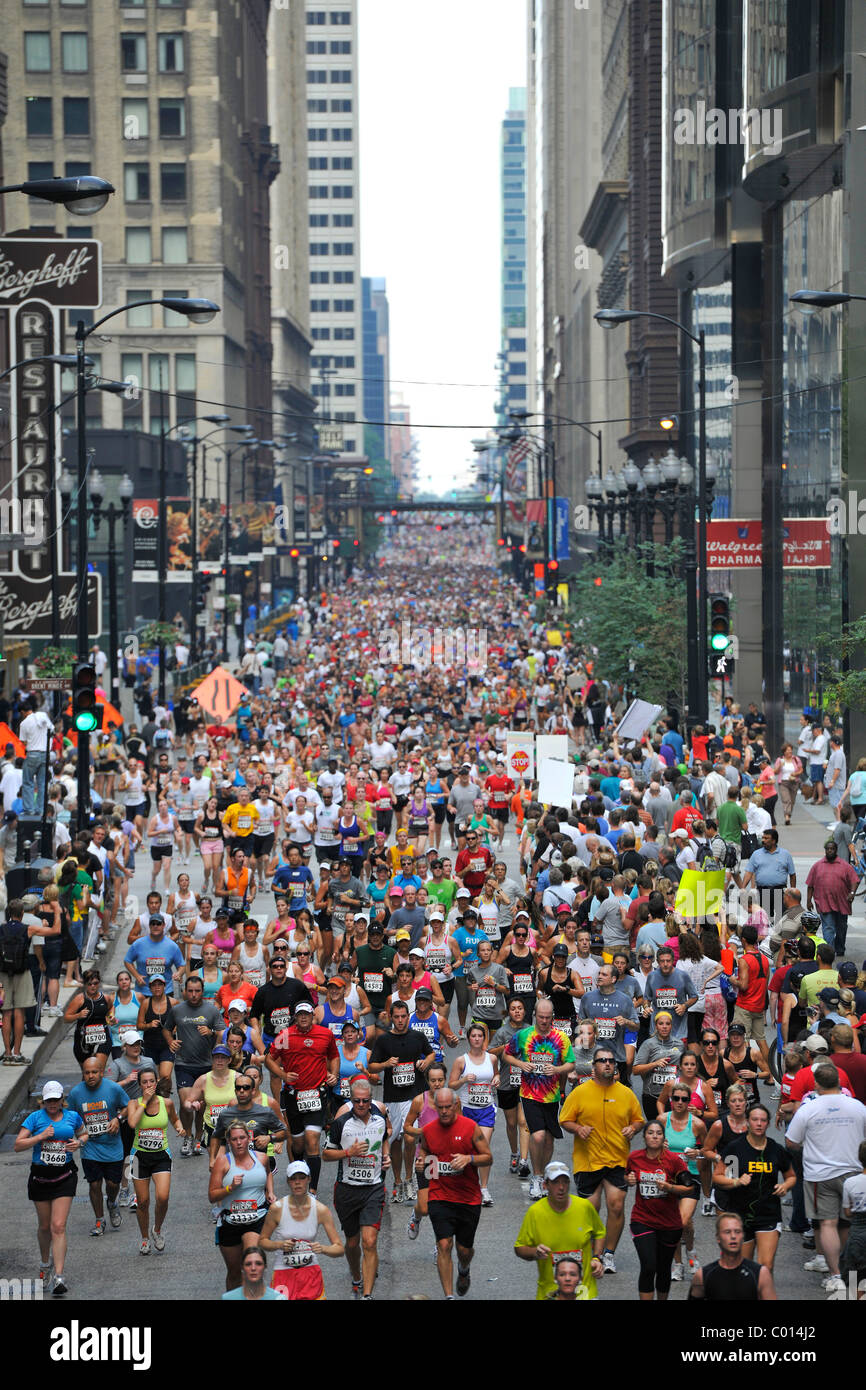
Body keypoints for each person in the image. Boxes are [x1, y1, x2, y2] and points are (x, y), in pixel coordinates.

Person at [559, 1047, 644, 1273]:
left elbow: (639, 1120)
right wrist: (578, 1128)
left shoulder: (625, 1093)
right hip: (588, 1160)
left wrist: (632, 1129)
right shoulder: (580, 1092)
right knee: (591, 1209)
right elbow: (564, 1120)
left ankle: (608, 1254)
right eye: (602, 1061)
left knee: (616, 1205)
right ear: (593, 1066)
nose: (608, 1064)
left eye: (611, 1061)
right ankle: (592, 1254)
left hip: (617, 1160)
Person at [785, 1061, 866, 1296]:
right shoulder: (857, 1106)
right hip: (853, 1170)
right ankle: (848, 1270)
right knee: (847, 1223)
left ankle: (836, 1276)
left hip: (820, 1173)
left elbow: (791, 1141)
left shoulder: (809, 1109)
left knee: (827, 1223)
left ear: (817, 1084)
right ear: (839, 1083)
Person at [415, 1085, 492, 1299]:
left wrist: (469, 1159)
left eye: (448, 1107)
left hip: (468, 1198)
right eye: (440, 1107)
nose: (444, 1112)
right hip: (440, 1196)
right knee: (444, 1244)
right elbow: (426, 1152)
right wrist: (423, 1164)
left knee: (464, 1250)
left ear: (456, 1105)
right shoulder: (429, 1130)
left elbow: (488, 1157)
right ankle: (449, 1295)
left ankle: (464, 1269)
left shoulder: (470, 1127)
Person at [14, 1080, 88, 1296]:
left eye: (56, 1099)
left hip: (65, 1176)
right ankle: (45, 1264)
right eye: (49, 1100)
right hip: (40, 1178)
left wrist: (79, 1143)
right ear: (43, 1101)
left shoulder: (72, 1117)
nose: (53, 1103)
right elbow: (18, 1145)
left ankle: (59, 1276)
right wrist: (39, 1137)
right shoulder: (35, 1118)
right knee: (45, 1227)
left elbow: (85, 1134)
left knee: (58, 1226)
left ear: (62, 1099)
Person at [323, 1077, 391, 1299]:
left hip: (373, 1188)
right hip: (347, 1189)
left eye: (365, 1101)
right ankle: (356, 1275)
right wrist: (347, 1153)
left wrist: (386, 1156)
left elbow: (385, 1138)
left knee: (369, 1242)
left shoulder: (380, 1119)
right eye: (357, 1101)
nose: (361, 1105)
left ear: (371, 1100)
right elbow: (326, 1154)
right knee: (352, 1243)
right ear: (351, 1101)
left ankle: (367, 1295)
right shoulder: (341, 1123)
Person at [711, 1101, 794, 1274]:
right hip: (741, 1214)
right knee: (743, 1269)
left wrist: (785, 1186)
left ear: (768, 1123)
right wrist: (736, 1181)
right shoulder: (735, 1148)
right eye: (755, 1119)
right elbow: (718, 1177)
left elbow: (791, 1176)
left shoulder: (775, 1150)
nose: (758, 1124)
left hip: (768, 1213)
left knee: (766, 1267)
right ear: (747, 1122)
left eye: (763, 1120)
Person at [264, 1000, 339, 1191]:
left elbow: (334, 1056)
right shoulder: (286, 1035)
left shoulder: (325, 1034)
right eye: (300, 1015)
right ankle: (299, 1172)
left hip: (316, 1094)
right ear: (295, 1017)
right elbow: (268, 1059)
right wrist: (282, 1075)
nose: (304, 1017)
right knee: (297, 1144)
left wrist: (334, 1074)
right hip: (293, 1096)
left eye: (307, 1014)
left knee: (313, 1141)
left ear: (313, 1016)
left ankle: (312, 1190)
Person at [505, 998, 575, 1199]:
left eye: (548, 1018)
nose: (544, 1021)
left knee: (549, 1140)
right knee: (537, 1136)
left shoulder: (561, 1038)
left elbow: (570, 1063)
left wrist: (557, 1069)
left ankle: (543, 1175)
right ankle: (536, 1177)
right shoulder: (523, 1035)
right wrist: (520, 1064)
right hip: (529, 1093)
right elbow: (507, 1055)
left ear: (552, 1017)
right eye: (541, 1017)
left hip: (551, 1095)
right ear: (535, 1015)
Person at [367, 999, 435, 1201]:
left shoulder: (417, 1036)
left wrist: (425, 1061)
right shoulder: (384, 1040)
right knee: (395, 1141)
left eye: (403, 1016)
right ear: (391, 1017)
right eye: (396, 1017)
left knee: (409, 1137)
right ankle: (397, 1181)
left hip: (415, 1095)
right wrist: (386, 1064)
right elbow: (372, 1067)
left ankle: (409, 1178)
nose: (400, 1020)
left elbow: (431, 1054)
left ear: (408, 1016)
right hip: (393, 1096)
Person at [514, 1159, 606, 1300]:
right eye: (556, 1182)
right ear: (545, 1185)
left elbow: (599, 1232)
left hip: (585, 1293)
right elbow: (519, 1248)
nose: (561, 1187)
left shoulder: (584, 1207)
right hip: (550, 1294)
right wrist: (534, 1252)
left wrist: (597, 1258)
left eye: (565, 1182)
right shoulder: (535, 1212)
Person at [626, 1119, 693, 1300]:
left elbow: (689, 1188)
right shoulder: (634, 1158)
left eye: (658, 1133)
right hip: (642, 1219)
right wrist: (629, 1180)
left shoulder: (673, 1160)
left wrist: (670, 1188)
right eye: (650, 1133)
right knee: (648, 1266)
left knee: (663, 1268)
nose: (654, 1136)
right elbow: (628, 1176)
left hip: (669, 1223)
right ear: (644, 1136)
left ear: (663, 1138)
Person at [259, 1159, 343, 1300]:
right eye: (293, 1179)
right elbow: (262, 1241)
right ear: (288, 1181)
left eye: (302, 1178)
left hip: (310, 1273)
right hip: (283, 1272)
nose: (297, 1182)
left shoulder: (321, 1210)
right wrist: (279, 1245)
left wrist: (322, 1248)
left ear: (309, 1179)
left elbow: (339, 1248)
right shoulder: (277, 1209)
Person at [208, 1120, 274, 1290]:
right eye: (235, 1139)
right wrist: (230, 1188)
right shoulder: (222, 1162)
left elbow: (267, 1173)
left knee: (251, 1264)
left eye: (242, 1138)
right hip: (230, 1222)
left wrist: (270, 1192)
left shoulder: (261, 1158)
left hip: (256, 1219)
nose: (239, 1142)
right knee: (234, 1272)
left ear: (249, 1139)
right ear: (229, 1141)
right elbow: (212, 1195)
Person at [68, 1056, 129, 1237]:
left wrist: (118, 1119)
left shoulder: (114, 1089)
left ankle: (111, 1202)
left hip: (112, 1146)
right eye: (87, 1073)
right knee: (94, 1184)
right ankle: (99, 1219)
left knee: (113, 1183)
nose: (91, 1076)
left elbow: (128, 1106)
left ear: (102, 1072)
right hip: (90, 1147)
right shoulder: (75, 1094)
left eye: (94, 1072)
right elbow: (71, 1118)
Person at [127, 1065, 185, 1255]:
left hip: (161, 1155)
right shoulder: (134, 1104)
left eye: (152, 1081)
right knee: (142, 1202)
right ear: (140, 1085)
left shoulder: (166, 1103)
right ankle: (144, 1238)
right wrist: (144, 1102)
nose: (149, 1085)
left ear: (156, 1082)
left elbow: (175, 1119)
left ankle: (157, 1230)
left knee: (163, 1196)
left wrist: (179, 1128)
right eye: (145, 1082)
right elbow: (132, 1123)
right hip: (138, 1157)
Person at [449, 1021, 498, 1205]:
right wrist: (463, 1080)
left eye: (480, 1036)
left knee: (483, 1147)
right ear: (469, 1038)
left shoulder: (491, 1058)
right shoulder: (461, 1060)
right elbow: (451, 1084)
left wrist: (498, 1079)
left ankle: (484, 1189)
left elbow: (495, 1074)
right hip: (467, 1110)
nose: (477, 1039)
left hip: (486, 1109)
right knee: (468, 1149)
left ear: (484, 1039)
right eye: (473, 1036)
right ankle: (469, 1186)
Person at [688, 1211, 777, 1300]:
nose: (733, 1236)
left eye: (737, 1231)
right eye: (727, 1232)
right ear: (718, 1237)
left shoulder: (760, 1274)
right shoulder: (703, 1276)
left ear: (743, 1236)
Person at [805, 840, 858, 959]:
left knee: (841, 927)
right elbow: (810, 885)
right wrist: (808, 900)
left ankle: (839, 948)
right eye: (828, 849)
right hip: (824, 902)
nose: (830, 851)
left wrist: (852, 893)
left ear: (836, 850)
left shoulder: (844, 865)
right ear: (825, 850)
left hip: (842, 903)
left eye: (832, 849)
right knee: (828, 928)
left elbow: (855, 880)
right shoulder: (817, 866)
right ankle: (829, 951)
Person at [632, 1012, 686, 1122]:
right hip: (652, 1095)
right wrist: (655, 1064)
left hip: (674, 1096)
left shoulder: (679, 1044)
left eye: (668, 1024)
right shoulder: (648, 1044)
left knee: (673, 1130)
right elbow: (635, 1070)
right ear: (656, 1026)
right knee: (655, 1131)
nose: (664, 1026)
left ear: (671, 1025)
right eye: (661, 1024)